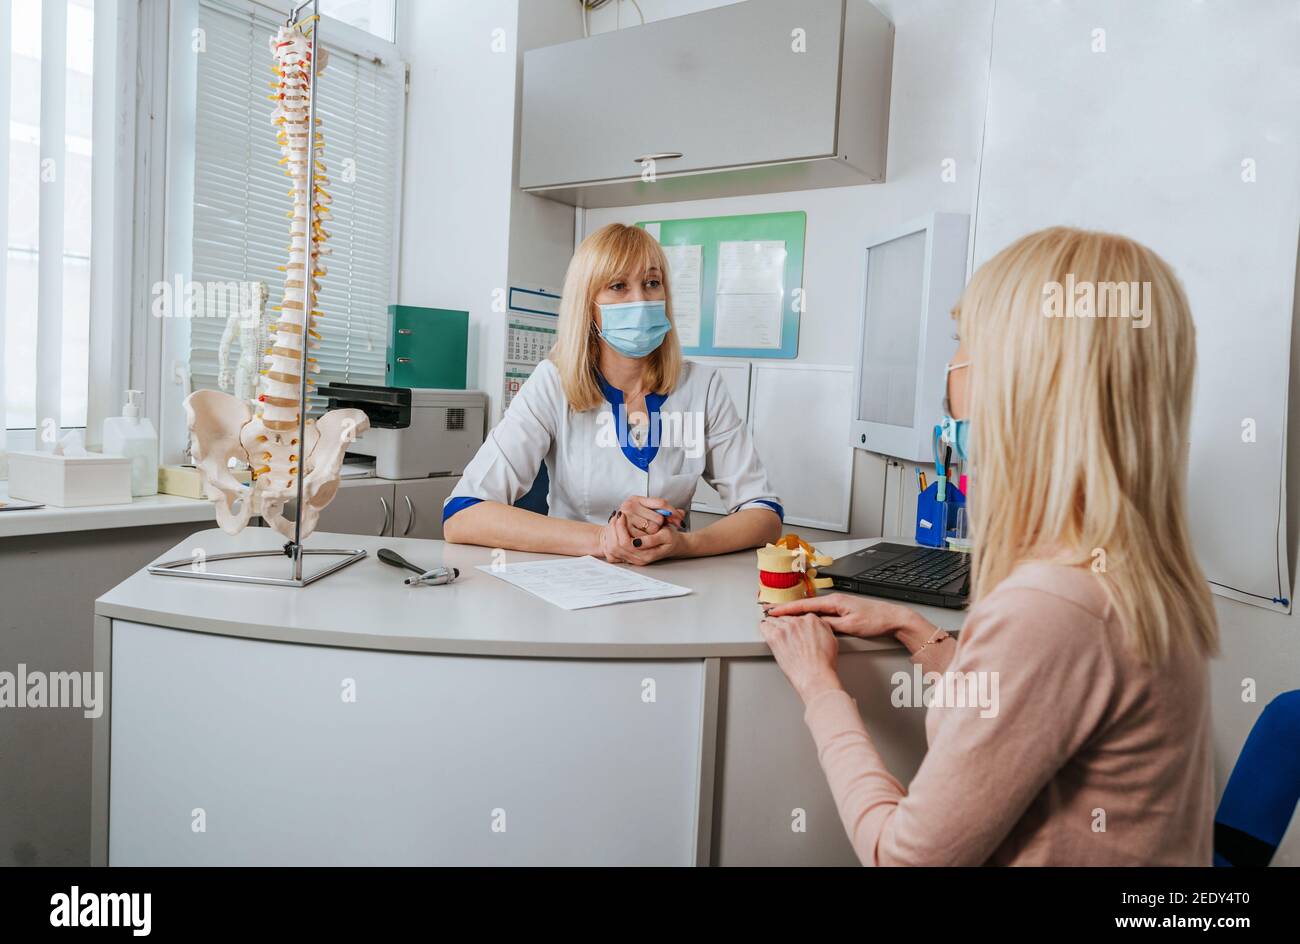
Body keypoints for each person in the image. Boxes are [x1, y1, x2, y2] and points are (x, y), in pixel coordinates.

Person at [761, 226, 1219, 865]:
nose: (951, 369)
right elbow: (1036, 706)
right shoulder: (1133, 573)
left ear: (1026, 380)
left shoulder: (1054, 605)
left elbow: (903, 859)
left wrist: (819, 688)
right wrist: (916, 630)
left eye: (964, 344)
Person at [443, 223, 783, 563]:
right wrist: (605, 539)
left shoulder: (702, 386)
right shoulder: (553, 383)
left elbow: (763, 513)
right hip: (573, 583)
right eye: (618, 286)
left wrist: (686, 545)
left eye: (652, 283)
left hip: (671, 587)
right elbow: (463, 513)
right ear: (588, 305)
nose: (640, 300)